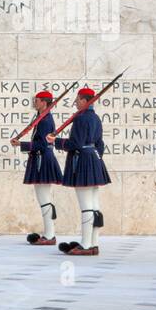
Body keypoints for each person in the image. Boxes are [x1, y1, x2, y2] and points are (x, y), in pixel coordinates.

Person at [55, 87, 111, 257]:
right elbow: (100, 144)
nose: (76, 102)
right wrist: (94, 157)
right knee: (94, 206)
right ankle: (94, 244)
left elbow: (75, 144)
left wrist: (56, 141)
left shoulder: (80, 119)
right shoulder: (95, 118)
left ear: (86, 101)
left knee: (86, 207)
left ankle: (86, 245)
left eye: (78, 99)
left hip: (84, 161)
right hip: (94, 159)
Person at [10, 90, 63, 246]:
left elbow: (45, 143)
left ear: (44, 103)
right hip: (40, 157)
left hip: (43, 159)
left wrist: (22, 144)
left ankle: (49, 235)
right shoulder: (41, 118)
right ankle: (48, 233)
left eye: (37, 100)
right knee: (43, 198)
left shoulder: (46, 120)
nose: (34, 103)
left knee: (44, 198)